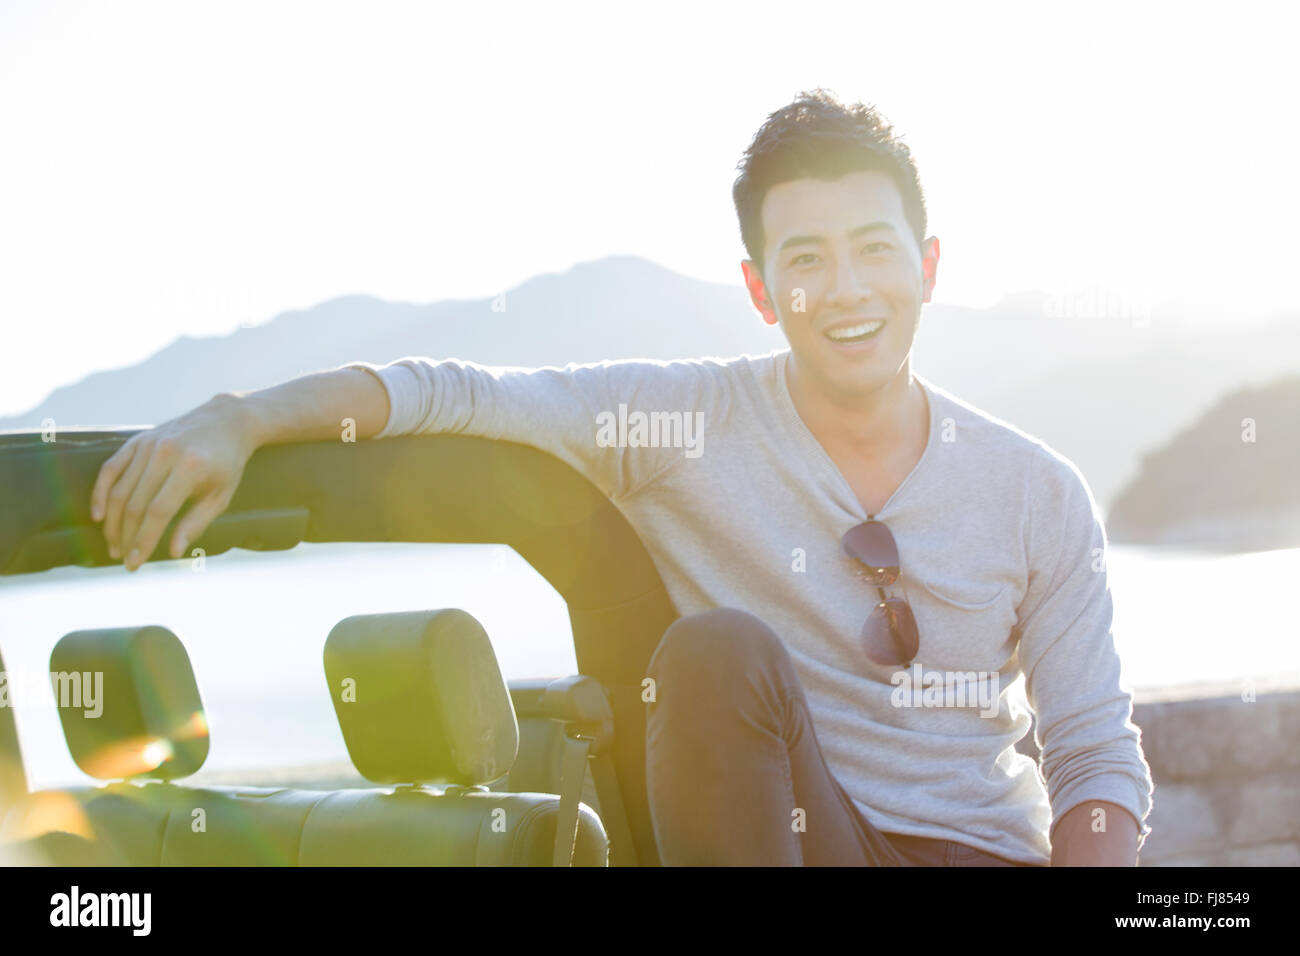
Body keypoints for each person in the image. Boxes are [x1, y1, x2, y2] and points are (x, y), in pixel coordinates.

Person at [89, 88, 1154, 866]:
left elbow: (1097, 758)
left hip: (985, 856)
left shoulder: (1035, 490)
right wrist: (241, 419)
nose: (845, 290)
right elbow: (452, 391)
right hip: (801, 839)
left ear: (926, 264)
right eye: (805, 258)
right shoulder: (676, 421)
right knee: (713, 651)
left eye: (874, 249)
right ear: (757, 286)